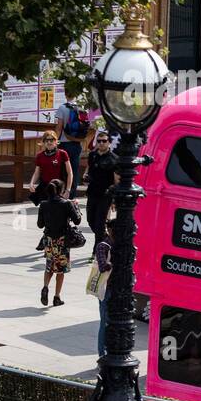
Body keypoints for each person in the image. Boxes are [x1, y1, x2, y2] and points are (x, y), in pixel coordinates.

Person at [36, 179, 80, 307]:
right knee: (60, 270)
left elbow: (40, 225)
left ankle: (45, 287)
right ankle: (57, 297)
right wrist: (75, 206)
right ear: (61, 190)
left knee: (49, 266)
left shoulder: (44, 204)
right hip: (62, 240)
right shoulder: (66, 204)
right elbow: (77, 220)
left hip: (49, 240)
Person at [84, 130, 117, 245]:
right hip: (92, 192)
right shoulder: (92, 155)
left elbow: (116, 180)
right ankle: (106, 239)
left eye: (104, 141)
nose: (101, 143)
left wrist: (114, 200)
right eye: (99, 141)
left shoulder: (113, 158)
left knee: (100, 223)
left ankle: (96, 251)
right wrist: (85, 174)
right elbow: (89, 167)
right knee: (90, 220)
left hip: (105, 195)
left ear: (109, 143)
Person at [90, 218, 114, 357]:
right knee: (104, 321)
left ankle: (110, 349)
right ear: (110, 230)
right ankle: (102, 353)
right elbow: (103, 266)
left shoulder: (121, 245)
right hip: (105, 288)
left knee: (113, 322)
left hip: (117, 289)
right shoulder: (103, 246)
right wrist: (114, 264)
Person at [28, 131, 72, 204]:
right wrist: (31, 183)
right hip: (45, 188)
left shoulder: (62, 153)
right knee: (45, 212)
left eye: (51, 140)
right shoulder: (40, 155)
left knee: (58, 212)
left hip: (59, 188)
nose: (49, 142)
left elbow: (70, 173)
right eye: (46, 140)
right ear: (43, 142)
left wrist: (68, 190)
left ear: (56, 141)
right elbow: (37, 173)